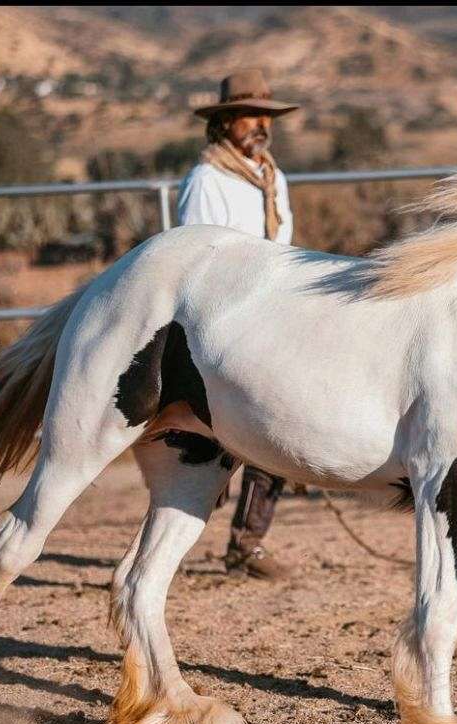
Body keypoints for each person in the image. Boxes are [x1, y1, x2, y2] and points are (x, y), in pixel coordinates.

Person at [176, 69, 297, 580]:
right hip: (226, 321)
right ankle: (181, 534)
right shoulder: (208, 180)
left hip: (271, 313)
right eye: (249, 114)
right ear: (224, 121)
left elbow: (285, 246)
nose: (259, 124)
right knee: (213, 445)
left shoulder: (271, 176)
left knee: (281, 427)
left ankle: (248, 542)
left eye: (264, 115)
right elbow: (196, 254)